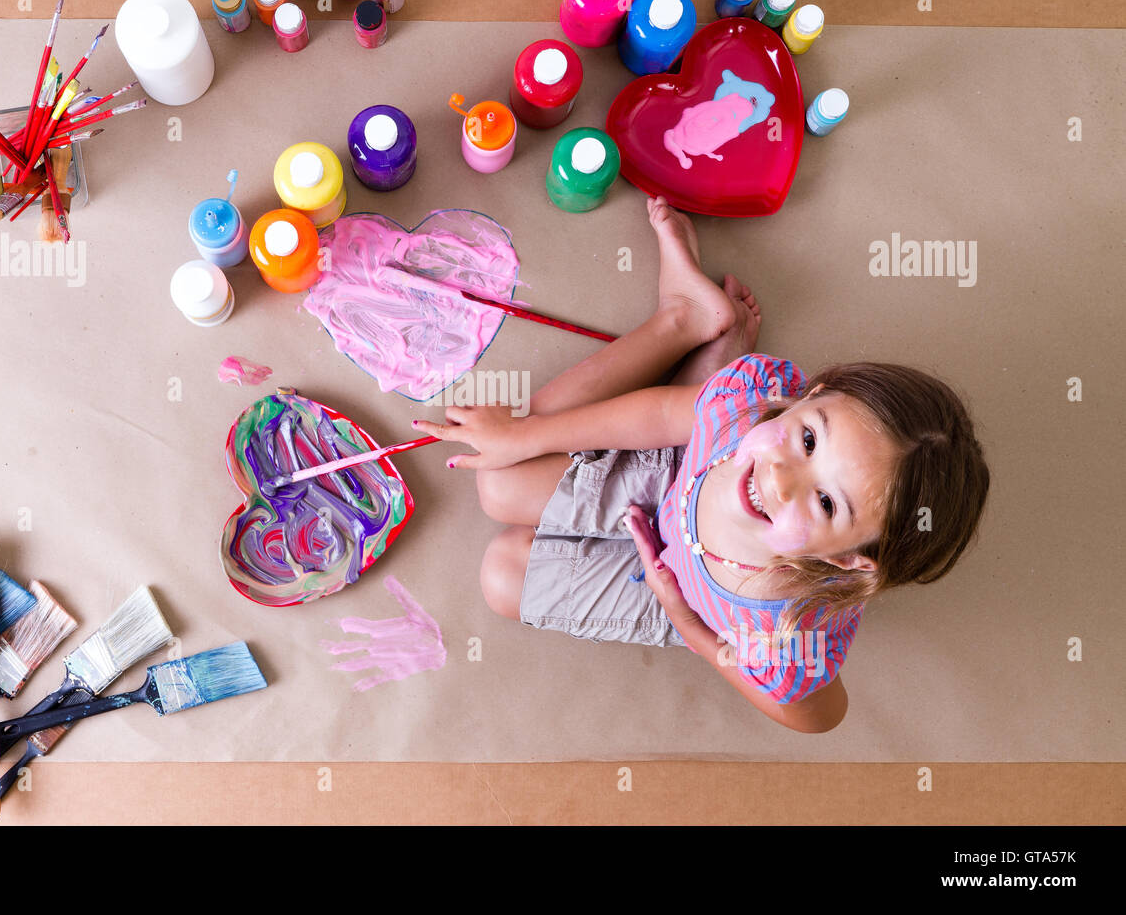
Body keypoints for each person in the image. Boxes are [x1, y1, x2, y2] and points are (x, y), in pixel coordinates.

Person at [412, 196, 990, 734]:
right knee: (498, 480)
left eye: (826, 502)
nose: (780, 477)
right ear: (813, 395)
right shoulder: (753, 410)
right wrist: (523, 435)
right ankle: (683, 319)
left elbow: (820, 714)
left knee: (499, 575)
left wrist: (688, 624)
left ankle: (702, 344)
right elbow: (659, 417)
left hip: (676, 595)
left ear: (845, 558)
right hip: (678, 475)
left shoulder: (783, 632)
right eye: (810, 439)